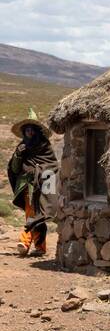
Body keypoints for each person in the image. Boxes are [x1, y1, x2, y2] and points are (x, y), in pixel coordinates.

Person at [6, 110, 58, 258]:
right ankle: (37, 246)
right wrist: (18, 155)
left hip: (42, 185)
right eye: (26, 130)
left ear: (36, 131)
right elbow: (14, 169)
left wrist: (38, 172)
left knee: (38, 213)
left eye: (31, 130)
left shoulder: (45, 146)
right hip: (27, 186)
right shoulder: (22, 147)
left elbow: (51, 165)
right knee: (32, 212)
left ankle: (27, 242)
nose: (29, 132)